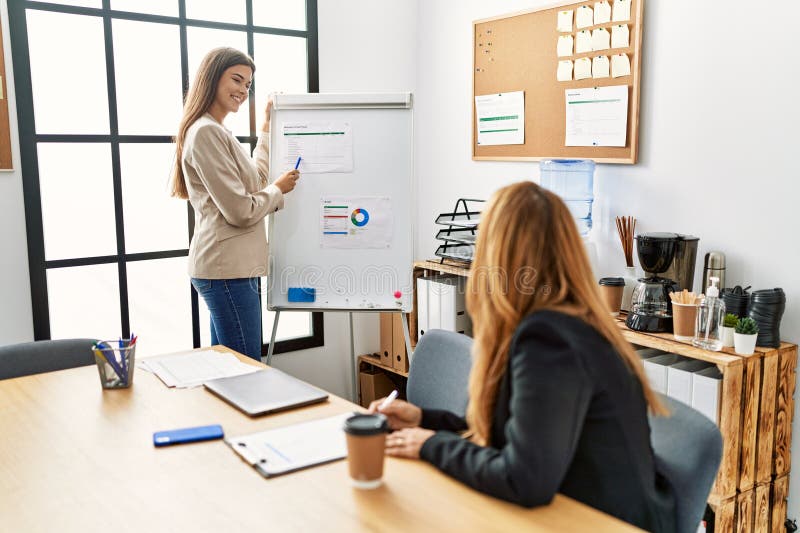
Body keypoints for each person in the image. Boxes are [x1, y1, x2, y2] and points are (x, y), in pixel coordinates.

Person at [370, 181, 676, 531]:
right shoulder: (568, 319)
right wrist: (424, 419)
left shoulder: (549, 340)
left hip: (600, 521)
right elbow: (518, 435)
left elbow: (525, 479)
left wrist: (431, 446)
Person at [170, 47, 299, 361]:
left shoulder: (216, 131)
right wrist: (279, 190)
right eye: (237, 80)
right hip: (225, 270)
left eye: (248, 85)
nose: (243, 90)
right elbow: (241, 211)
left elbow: (254, 179)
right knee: (245, 368)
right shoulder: (205, 133)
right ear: (213, 78)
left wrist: (267, 126)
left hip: (231, 268)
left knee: (229, 367)